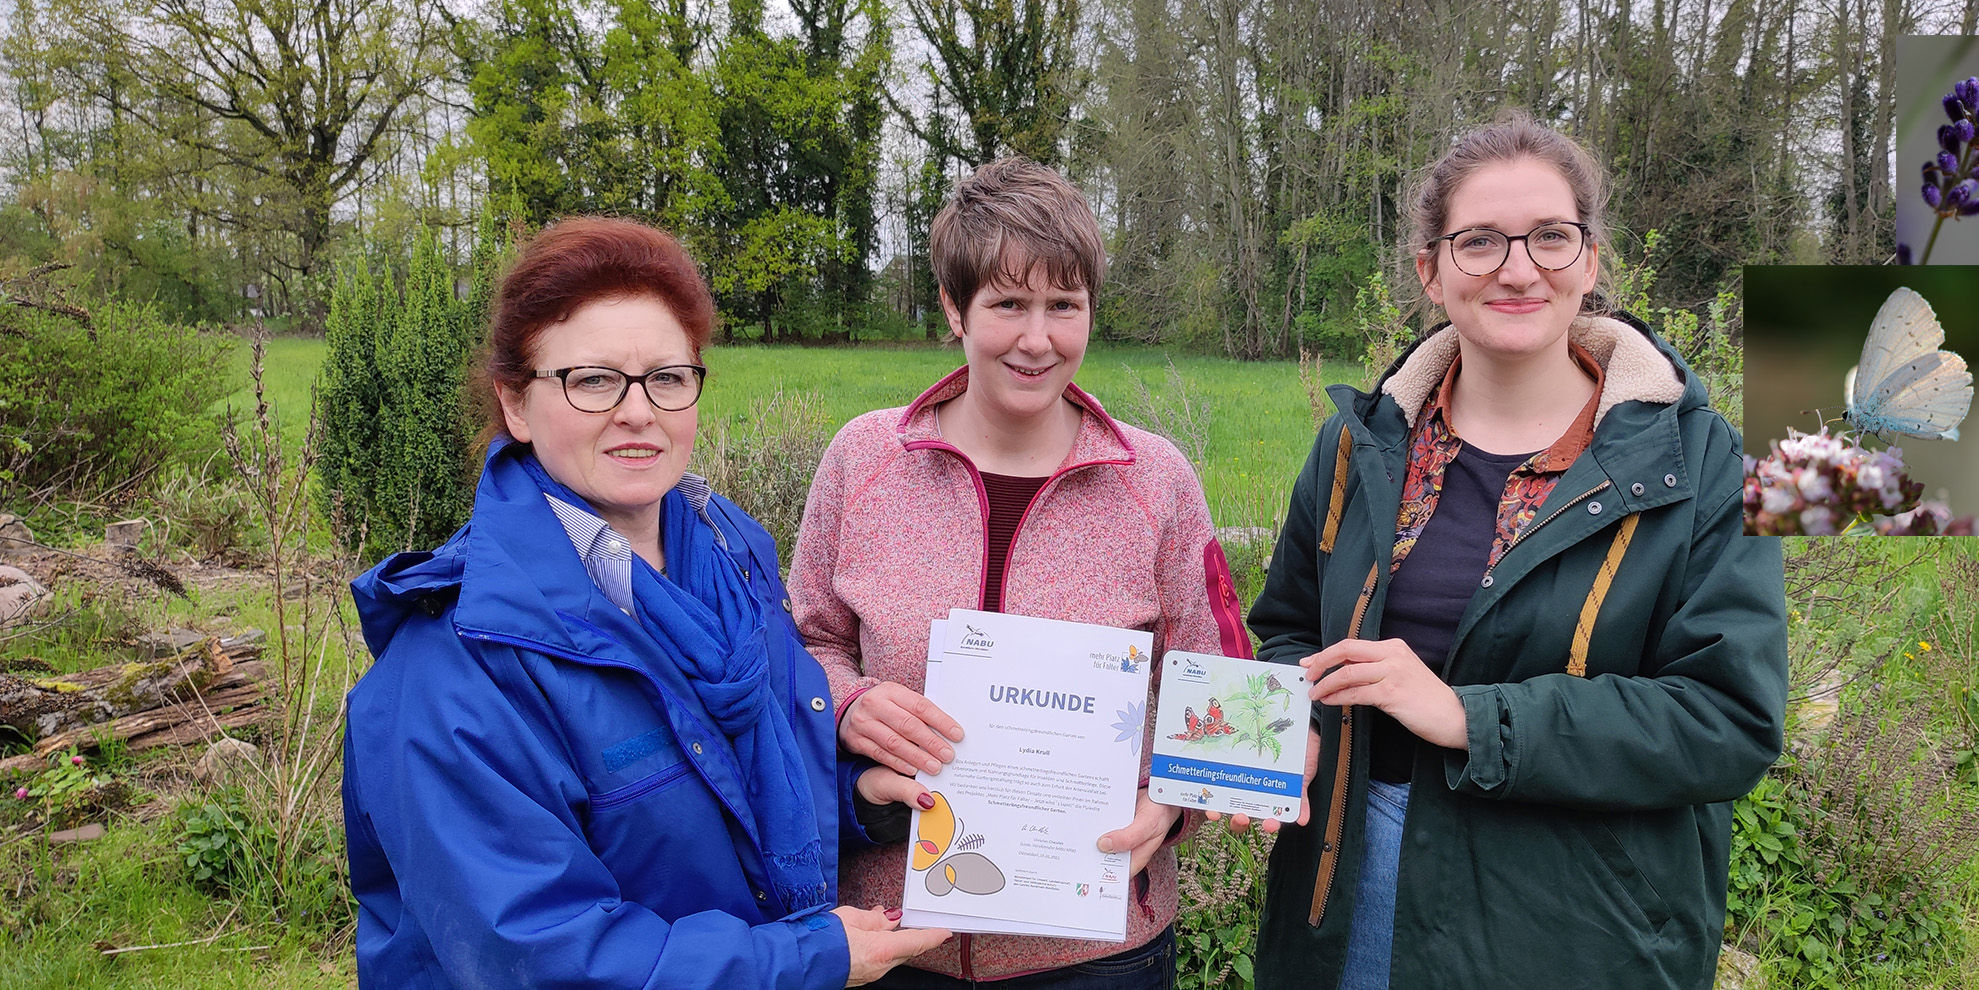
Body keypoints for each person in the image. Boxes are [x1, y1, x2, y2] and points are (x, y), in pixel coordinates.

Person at [1244, 112, 1787, 989]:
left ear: (1590, 261)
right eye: (1481, 241)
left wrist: (1471, 718)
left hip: (1574, 923)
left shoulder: (1705, 461)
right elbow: (1288, 633)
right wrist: (1293, 728)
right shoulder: (1358, 446)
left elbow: (1728, 722)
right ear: (1431, 271)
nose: (1518, 267)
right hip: (1347, 899)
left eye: (1550, 237)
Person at [341, 216, 951, 990]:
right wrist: (806, 959)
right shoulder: (457, 667)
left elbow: (725, 783)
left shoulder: (731, 557)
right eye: (593, 379)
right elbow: (538, 959)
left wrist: (855, 796)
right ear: (518, 404)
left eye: (667, 376)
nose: (639, 411)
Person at [788, 157, 1254, 988]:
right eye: (1008, 303)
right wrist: (849, 704)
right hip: (892, 939)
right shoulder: (864, 460)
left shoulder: (1156, 481)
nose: (1037, 339)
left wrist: (1174, 801)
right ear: (953, 309)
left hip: (1097, 950)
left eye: (1063, 306)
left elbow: (1223, 691)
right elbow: (801, 644)